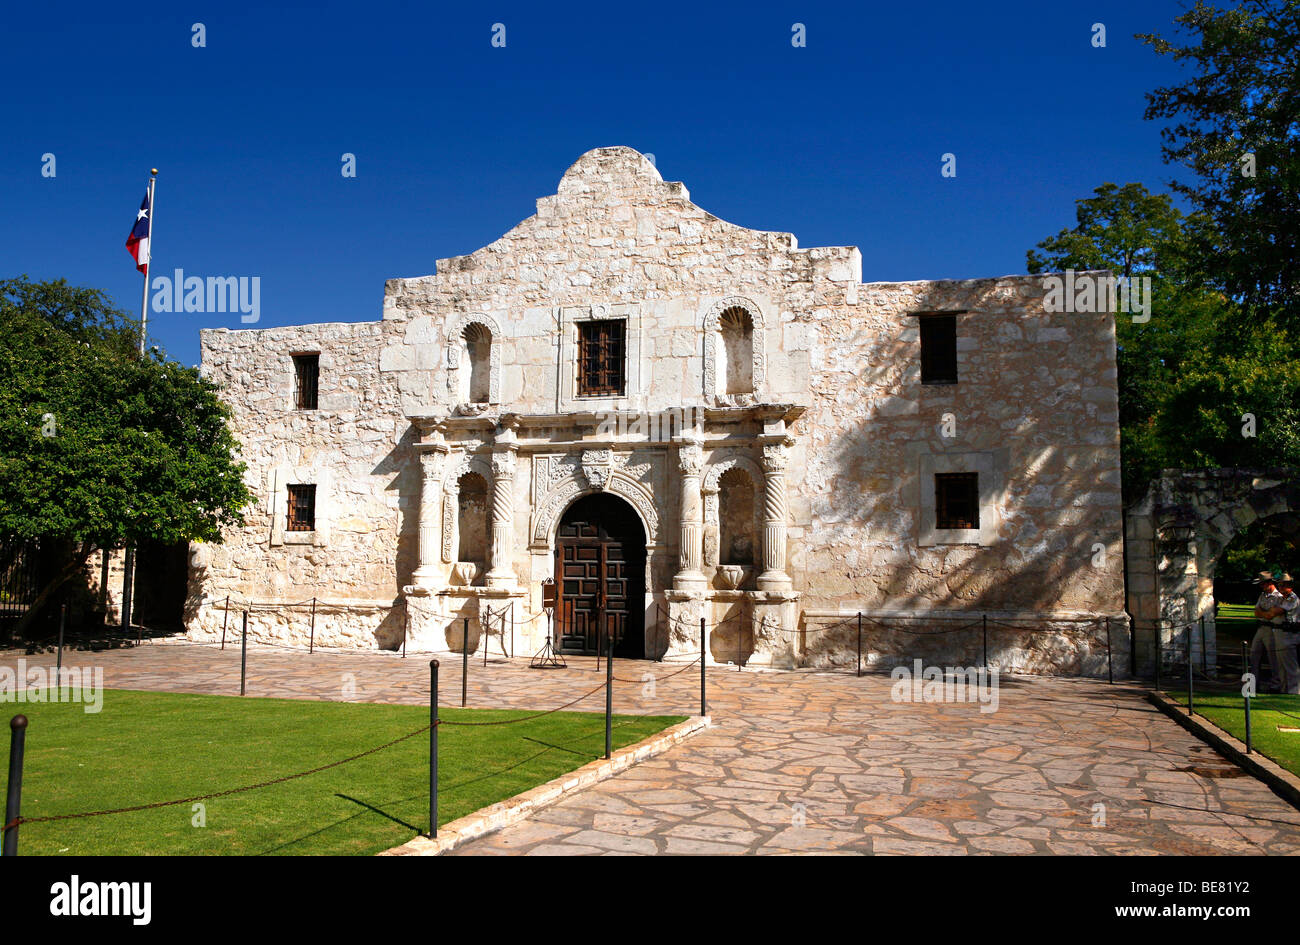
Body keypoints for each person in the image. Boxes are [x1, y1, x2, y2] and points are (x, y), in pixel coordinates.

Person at [1251, 571, 1285, 692]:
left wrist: (1264, 613)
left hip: (1271, 629)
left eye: (1262, 584)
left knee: (1273, 657)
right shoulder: (1262, 595)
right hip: (1261, 628)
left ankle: (1276, 684)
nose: (1261, 586)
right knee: (1254, 655)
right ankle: (1253, 684)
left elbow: (1272, 615)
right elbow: (1256, 612)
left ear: (1269, 583)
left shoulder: (1278, 597)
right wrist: (1266, 613)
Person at [1275, 574, 1300, 695]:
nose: (1280, 587)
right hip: (1281, 633)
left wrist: (1270, 612)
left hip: (1289, 633)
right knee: (1282, 665)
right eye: (1279, 585)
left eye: (1283, 585)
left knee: (1291, 666)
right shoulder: (1281, 598)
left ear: (1290, 586)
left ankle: (1294, 692)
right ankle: (1284, 689)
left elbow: (1276, 611)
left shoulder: (1292, 598)